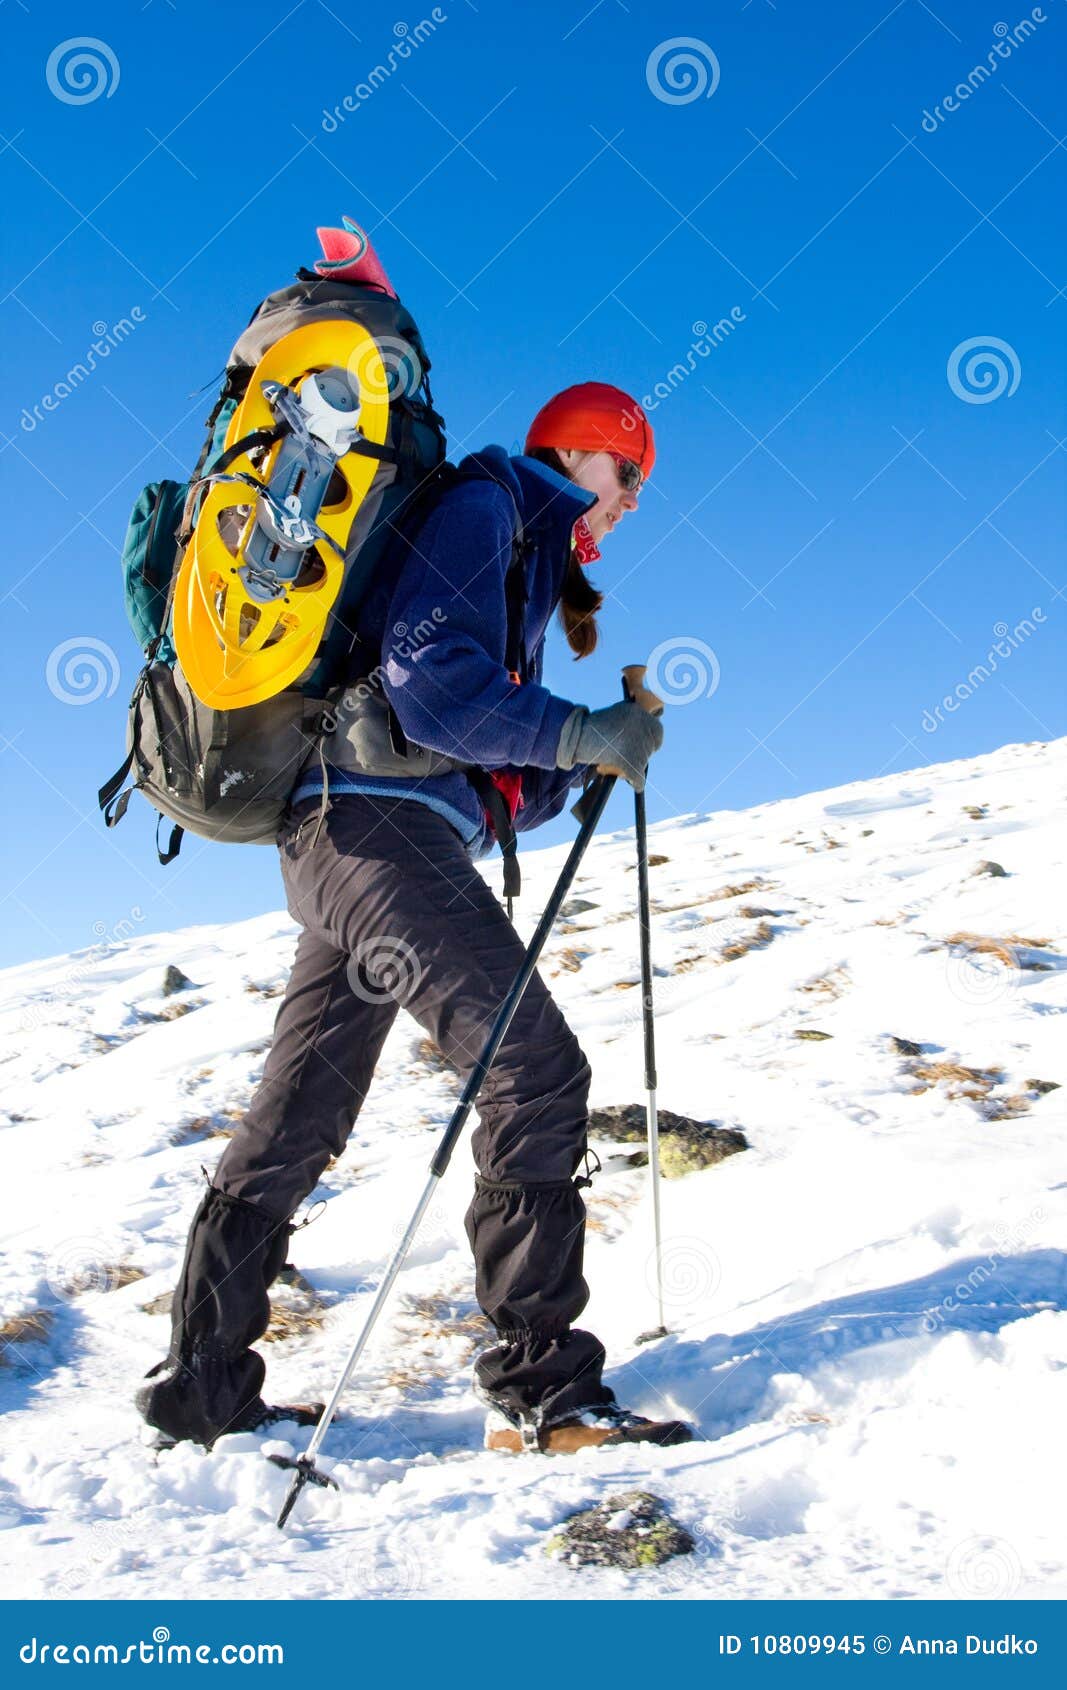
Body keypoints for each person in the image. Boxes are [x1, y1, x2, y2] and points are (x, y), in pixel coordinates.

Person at [136, 381, 692, 1456]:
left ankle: (201, 1385)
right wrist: (580, 731)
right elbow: (433, 688)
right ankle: (545, 1389)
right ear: (587, 456)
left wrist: (593, 751)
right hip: (374, 837)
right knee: (534, 1066)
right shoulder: (486, 508)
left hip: (363, 839)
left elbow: (477, 762)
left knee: (298, 1114)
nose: (630, 506)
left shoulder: (521, 552)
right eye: (630, 479)